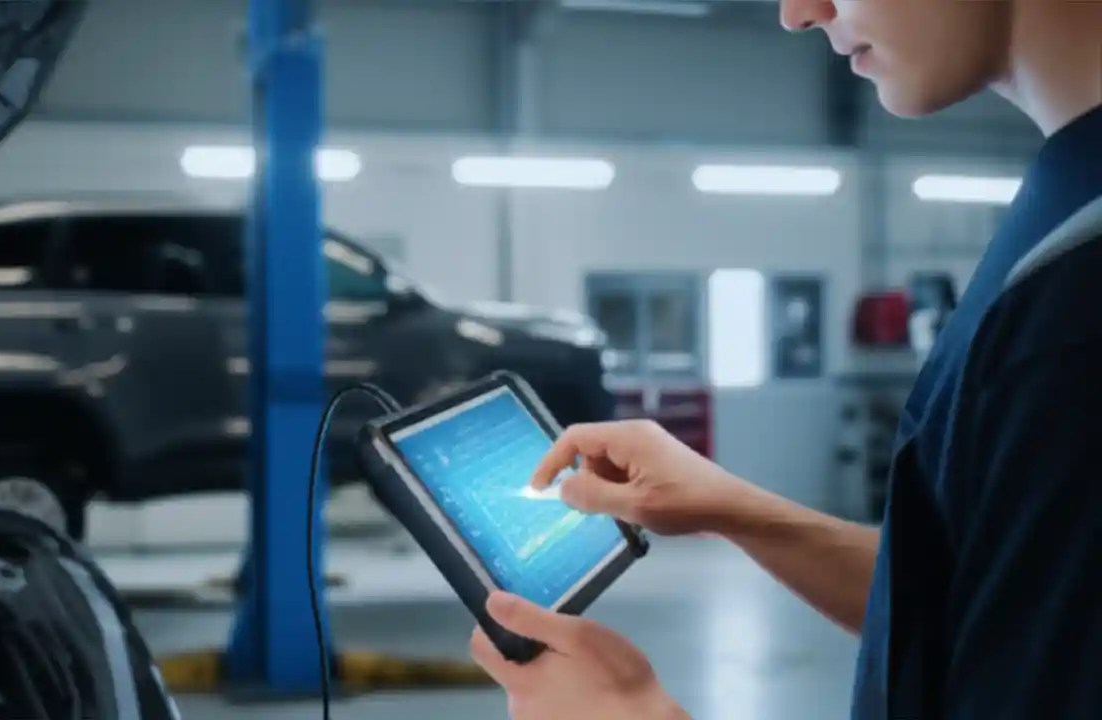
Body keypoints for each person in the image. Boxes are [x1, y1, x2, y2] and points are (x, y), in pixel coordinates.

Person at [469, 0, 1102, 716]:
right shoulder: (1065, 203)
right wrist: (736, 509)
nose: (799, 13)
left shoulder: (1077, 295)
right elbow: (998, 612)